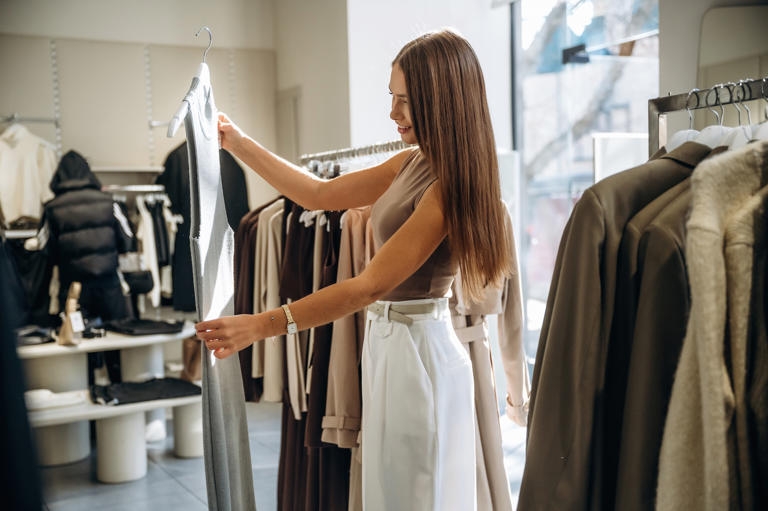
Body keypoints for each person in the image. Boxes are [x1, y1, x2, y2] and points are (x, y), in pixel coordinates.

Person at [196, 28, 512, 510]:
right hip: (390, 345)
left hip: (418, 352)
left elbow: (367, 287)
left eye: (405, 101)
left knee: (416, 495)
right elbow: (317, 195)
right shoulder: (412, 163)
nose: (393, 113)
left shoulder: (447, 186)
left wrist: (260, 325)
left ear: (442, 101)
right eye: (392, 98)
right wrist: (237, 143)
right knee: (391, 491)